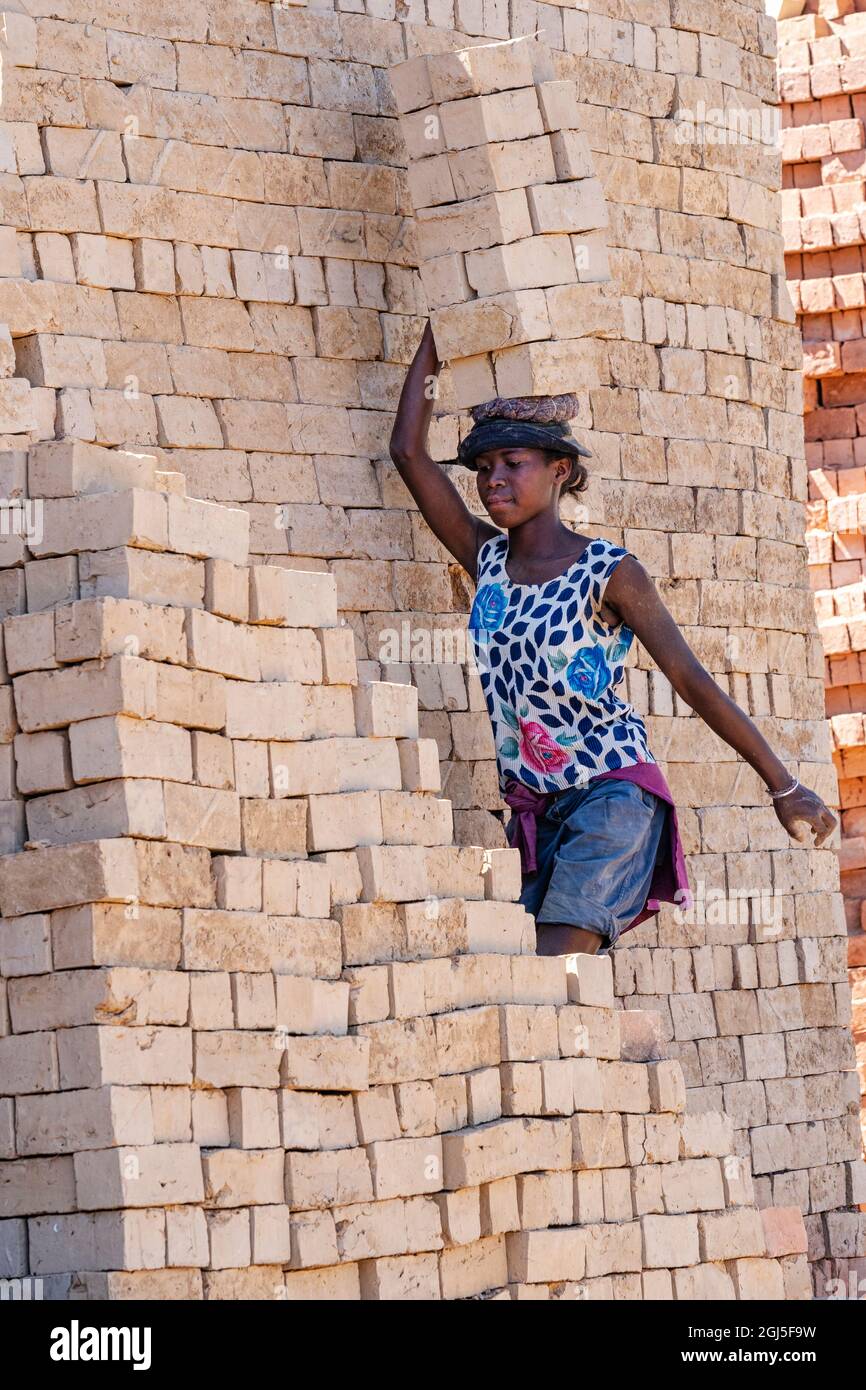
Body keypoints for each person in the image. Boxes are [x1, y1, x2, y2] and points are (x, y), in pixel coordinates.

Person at [388, 322, 838, 958]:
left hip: (611, 796)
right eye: (484, 468)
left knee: (557, 967)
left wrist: (784, 786)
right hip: (536, 810)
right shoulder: (486, 560)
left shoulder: (610, 572)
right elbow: (408, 452)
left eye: (513, 465)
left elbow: (690, 680)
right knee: (536, 983)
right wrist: (451, 326)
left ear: (560, 471)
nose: (493, 480)